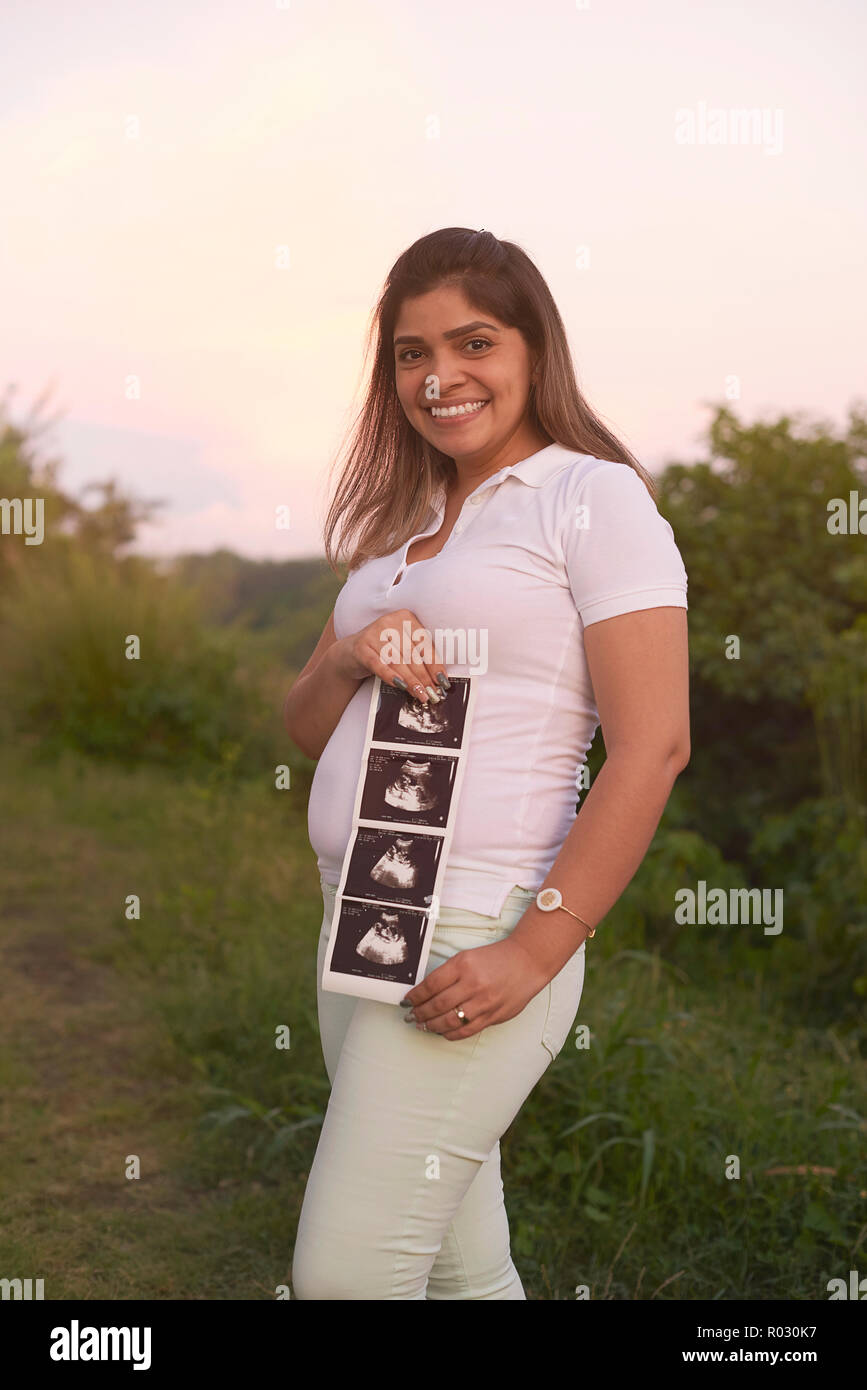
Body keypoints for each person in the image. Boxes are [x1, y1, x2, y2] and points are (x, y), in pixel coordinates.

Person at [284, 227, 690, 1300]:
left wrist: (537, 949)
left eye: (473, 342)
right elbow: (306, 723)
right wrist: (352, 654)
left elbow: (653, 746)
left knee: (345, 1278)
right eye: (411, 353)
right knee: (466, 1265)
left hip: (479, 925)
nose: (439, 376)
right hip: (363, 908)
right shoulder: (401, 527)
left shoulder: (591, 499)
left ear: (532, 349)